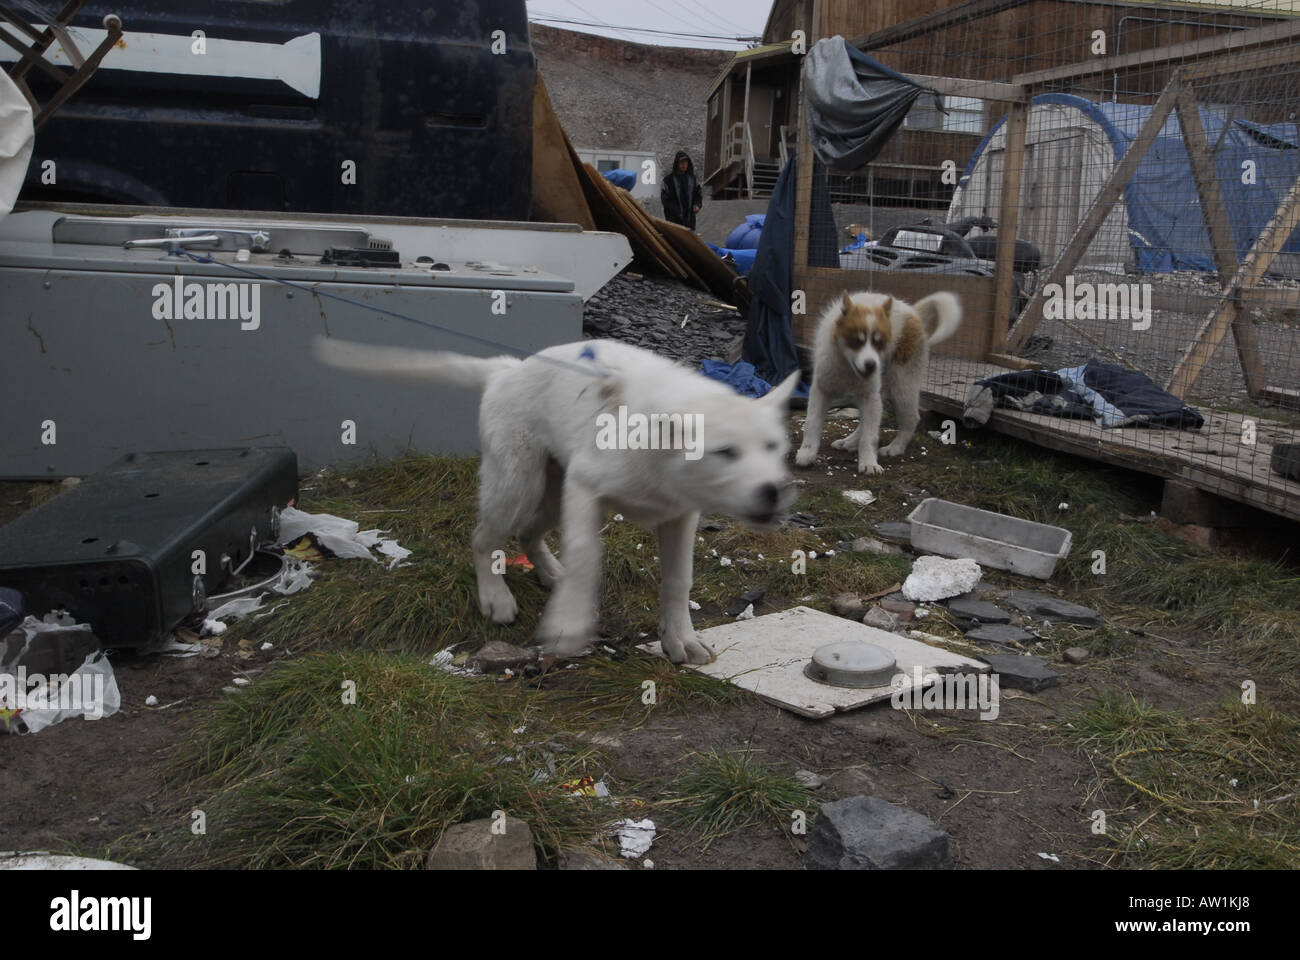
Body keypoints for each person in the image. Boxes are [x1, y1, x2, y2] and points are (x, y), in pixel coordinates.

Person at [661, 150, 702, 230]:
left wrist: (697, 205)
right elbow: (665, 200)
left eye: (686, 162)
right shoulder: (668, 181)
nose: (684, 164)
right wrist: (677, 212)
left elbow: (698, 195)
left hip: (689, 222)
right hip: (673, 222)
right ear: (677, 163)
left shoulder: (692, 180)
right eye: (681, 162)